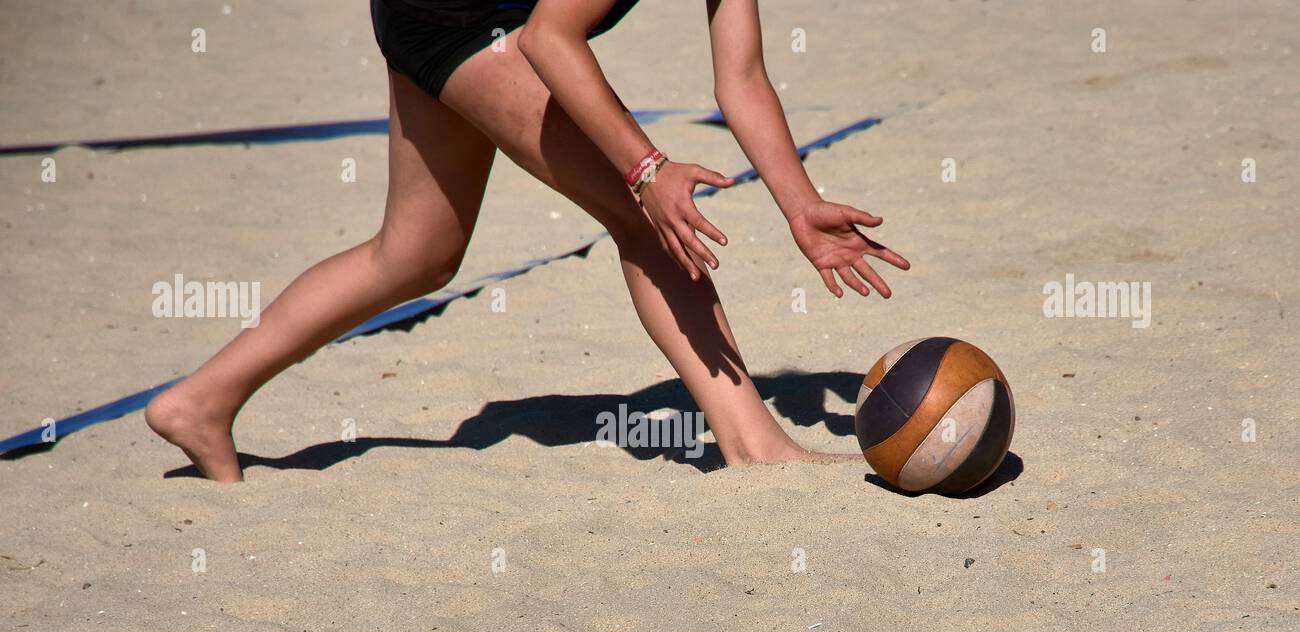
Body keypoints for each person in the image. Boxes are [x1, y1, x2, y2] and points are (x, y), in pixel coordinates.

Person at [146, 0, 910, 481]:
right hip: (468, 19)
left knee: (415, 254)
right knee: (644, 216)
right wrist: (648, 169)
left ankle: (200, 400)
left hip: (445, 12)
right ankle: (755, 446)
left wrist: (800, 205)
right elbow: (551, 39)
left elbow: (740, 79)